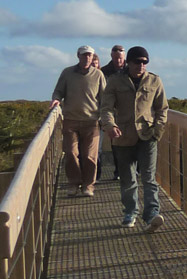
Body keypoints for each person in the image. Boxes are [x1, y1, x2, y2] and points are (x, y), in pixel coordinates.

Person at [100, 45, 169, 231]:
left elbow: (162, 108)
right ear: (128, 62)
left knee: (148, 177)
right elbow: (106, 108)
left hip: (147, 135)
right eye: (137, 62)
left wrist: (158, 129)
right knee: (128, 178)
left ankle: (152, 215)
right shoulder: (114, 81)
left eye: (145, 62)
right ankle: (130, 211)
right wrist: (110, 126)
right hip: (122, 136)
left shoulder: (154, 81)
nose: (141, 65)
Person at [50, 46, 107, 197]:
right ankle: (73, 183)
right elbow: (59, 91)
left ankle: (88, 185)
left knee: (89, 156)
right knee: (70, 153)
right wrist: (56, 100)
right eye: (84, 55)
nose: (87, 58)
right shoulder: (67, 73)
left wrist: (105, 118)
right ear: (78, 56)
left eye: (90, 55)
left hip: (91, 121)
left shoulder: (98, 75)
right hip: (70, 120)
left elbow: (105, 98)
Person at [98, 45, 125, 180]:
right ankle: (118, 172)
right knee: (115, 142)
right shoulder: (103, 72)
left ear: (124, 57)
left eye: (120, 58)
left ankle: (133, 171)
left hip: (127, 111)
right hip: (110, 111)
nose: (118, 61)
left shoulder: (130, 70)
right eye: (115, 58)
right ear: (111, 56)